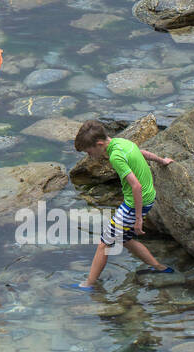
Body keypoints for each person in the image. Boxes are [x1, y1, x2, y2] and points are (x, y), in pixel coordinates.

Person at [65, 121, 175, 290]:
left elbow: (136, 186)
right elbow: (142, 153)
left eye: (89, 152)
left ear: (99, 144)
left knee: (104, 243)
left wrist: (138, 219)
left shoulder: (115, 157)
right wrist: (162, 160)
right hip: (148, 197)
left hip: (134, 204)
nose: (89, 156)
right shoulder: (123, 142)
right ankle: (160, 268)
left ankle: (88, 284)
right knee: (125, 239)